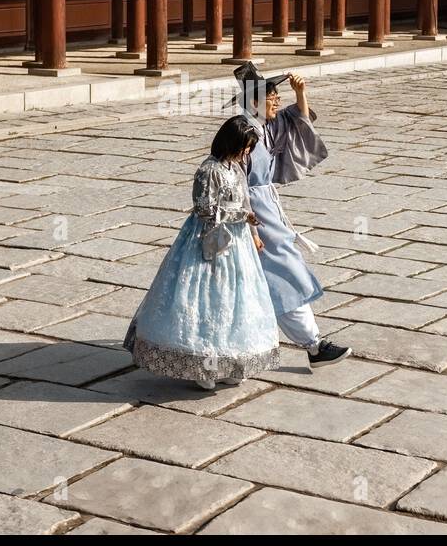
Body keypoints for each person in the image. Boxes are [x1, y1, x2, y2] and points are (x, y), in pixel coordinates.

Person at [124, 114, 281, 390]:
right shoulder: (208, 170)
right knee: (208, 299)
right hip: (208, 241)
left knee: (236, 300)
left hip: (239, 243)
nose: (246, 153)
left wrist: (254, 233)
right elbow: (204, 209)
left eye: (248, 149)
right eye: (243, 147)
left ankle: (233, 360)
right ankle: (203, 365)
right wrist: (242, 215)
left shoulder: (236, 168)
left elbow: (246, 201)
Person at [235, 63, 352, 367]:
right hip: (253, 211)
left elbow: (295, 120)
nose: (277, 102)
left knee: (266, 276)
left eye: (277, 96)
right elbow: (234, 179)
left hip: (264, 206)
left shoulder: (264, 125)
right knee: (282, 271)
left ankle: (302, 343)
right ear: (254, 102)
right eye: (271, 97)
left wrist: (301, 93)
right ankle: (313, 345)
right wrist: (251, 225)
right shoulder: (245, 131)